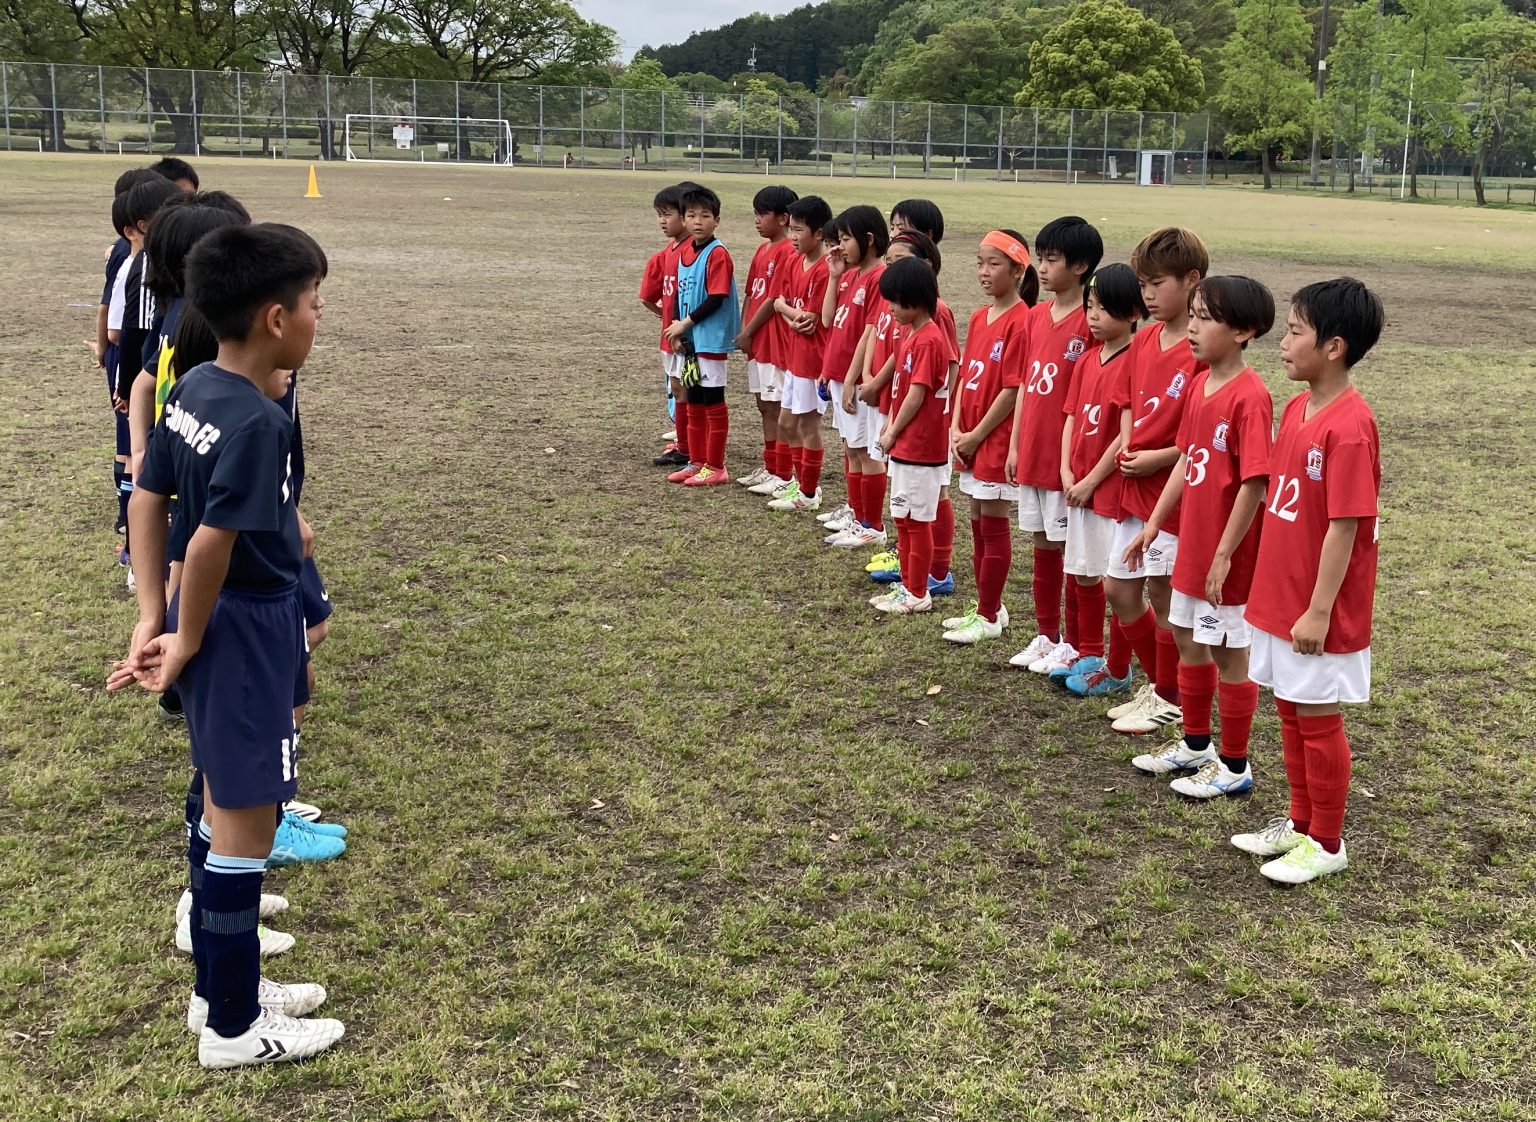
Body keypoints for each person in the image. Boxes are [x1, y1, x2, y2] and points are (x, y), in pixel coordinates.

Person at [108, 222, 345, 1068]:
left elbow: (148, 497)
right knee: (245, 829)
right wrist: (187, 635)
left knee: (220, 802)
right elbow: (209, 541)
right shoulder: (255, 422)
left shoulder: (199, 386)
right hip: (241, 623)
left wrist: (152, 614)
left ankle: (222, 988)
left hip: (216, 617)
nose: (322, 318)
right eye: (317, 303)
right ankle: (235, 1029)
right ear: (277, 318)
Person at [1231, 278, 1384, 885]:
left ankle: (1327, 841)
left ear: (1335, 347)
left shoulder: (1351, 425)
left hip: (1314, 604)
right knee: (1290, 710)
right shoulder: (1296, 407)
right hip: (1280, 592)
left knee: (1317, 717)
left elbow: (1346, 526)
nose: (1283, 343)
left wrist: (1319, 610)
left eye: (1295, 332)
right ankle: (1299, 824)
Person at [1123, 276, 1275, 798]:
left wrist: (1225, 556)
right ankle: (1195, 744)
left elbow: (1255, 483)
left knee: (1230, 653)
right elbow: (1188, 460)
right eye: (1193, 314)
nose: (1192, 326)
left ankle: (1234, 767)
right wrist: (1153, 524)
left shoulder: (1251, 396)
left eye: (1206, 317)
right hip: (1190, 540)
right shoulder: (1198, 384)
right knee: (1189, 639)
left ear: (1244, 331)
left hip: (1223, 554)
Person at [1085, 228, 1209, 734]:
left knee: (1163, 595)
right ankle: (1163, 685)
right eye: (1143, 284)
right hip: (1135, 487)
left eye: (1158, 284)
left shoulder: (1202, 348)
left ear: (1192, 281)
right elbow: (1131, 405)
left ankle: (1169, 695)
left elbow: (1202, 436)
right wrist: (1131, 444)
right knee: (1118, 586)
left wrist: (1158, 457)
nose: (1148, 295)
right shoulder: (1145, 341)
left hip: (1171, 494)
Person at [1007, 216, 1102, 673]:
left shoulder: (1091, 321)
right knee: (1043, 546)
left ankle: (1079, 644)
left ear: (1081, 266)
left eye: (1051, 260)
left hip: (1070, 458)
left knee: (1074, 555)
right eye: (1039, 260)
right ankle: (1047, 635)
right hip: (1034, 449)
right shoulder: (1035, 316)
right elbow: (1027, 383)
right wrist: (1014, 445)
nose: (1041, 269)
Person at [941, 230, 1036, 645]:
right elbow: (965, 377)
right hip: (970, 434)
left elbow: (1013, 389)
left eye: (993, 264)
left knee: (994, 523)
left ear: (1018, 270)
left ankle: (989, 613)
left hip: (995, 438)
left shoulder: (1024, 320)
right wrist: (956, 426)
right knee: (978, 521)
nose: (983, 271)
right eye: (980, 262)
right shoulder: (981, 317)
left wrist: (978, 434)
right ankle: (987, 605)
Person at [1053, 265, 1144, 689]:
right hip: (1079, 486)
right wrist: (1068, 470)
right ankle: (1088, 654)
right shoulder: (1088, 358)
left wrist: (1091, 479)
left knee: (1115, 582)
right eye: (1090, 306)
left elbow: (1125, 435)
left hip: (1110, 490)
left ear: (1131, 313)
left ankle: (1118, 667)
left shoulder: (1136, 361)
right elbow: (1071, 416)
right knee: (1084, 571)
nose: (1092, 316)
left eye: (1104, 308)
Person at [859, 231, 959, 593]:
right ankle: (913, 572)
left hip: (923, 437)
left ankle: (932, 575)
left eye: (898, 261)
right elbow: (902, 370)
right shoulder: (910, 328)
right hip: (905, 435)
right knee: (907, 512)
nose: (889, 307)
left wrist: (939, 416)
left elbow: (937, 377)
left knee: (928, 505)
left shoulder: (935, 322)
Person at [106, 176, 182, 557]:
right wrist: (126, 383)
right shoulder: (147, 268)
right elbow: (132, 335)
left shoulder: (157, 264)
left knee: (154, 468)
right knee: (146, 466)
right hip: (147, 385)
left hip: (155, 380)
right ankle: (137, 549)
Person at [820, 205, 890, 547]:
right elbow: (829, 321)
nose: (841, 246)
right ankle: (858, 515)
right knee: (851, 449)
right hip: (839, 375)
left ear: (869, 239)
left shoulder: (879, 277)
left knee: (866, 452)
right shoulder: (850, 275)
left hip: (858, 380)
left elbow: (871, 333)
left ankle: (872, 525)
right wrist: (834, 277)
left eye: (846, 238)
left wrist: (852, 379)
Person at [663, 184, 739, 487]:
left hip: (711, 341)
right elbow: (682, 299)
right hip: (693, 342)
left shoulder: (717, 253)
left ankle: (716, 466)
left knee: (712, 402)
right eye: (691, 215)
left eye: (705, 215)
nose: (698, 221)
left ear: (716, 220)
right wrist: (677, 331)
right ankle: (696, 461)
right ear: (683, 219)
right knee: (693, 401)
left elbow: (716, 297)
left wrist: (685, 324)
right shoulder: (685, 255)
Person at [764, 195, 833, 511]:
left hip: (813, 360)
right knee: (788, 423)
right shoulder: (794, 261)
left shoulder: (823, 269)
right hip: (794, 357)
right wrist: (786, 309)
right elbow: (787, 306)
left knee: (807, 425)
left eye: (799, 230)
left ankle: (808, 493)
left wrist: (784, 308)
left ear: (819, 234)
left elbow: (809, 319)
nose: (792, 236)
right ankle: (797, 484)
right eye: (790, 229)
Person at [734, 185, 799, 491]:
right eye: (755, 214)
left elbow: (774, 298)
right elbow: (751, 292)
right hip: (756, 341)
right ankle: (771, 465)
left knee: (777, 406)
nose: (757, 220)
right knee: (764, 405)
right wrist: (744, 327)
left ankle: (785, 473)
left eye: (763, 214)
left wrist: (748, 330)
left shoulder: (787, 250)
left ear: (785, 217)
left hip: (774, 341)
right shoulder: (762, 250)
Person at [640, 184, 691, 467]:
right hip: (669, 337)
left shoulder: (693, 252)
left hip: (686, 337)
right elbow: (647, 296)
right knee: (677, 387)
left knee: (690, 390)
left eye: (667, 214)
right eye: (659, 215)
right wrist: (664, 315)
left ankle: (691, 446)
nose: (662, 220)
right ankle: (684, 445)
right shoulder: (664, 254)